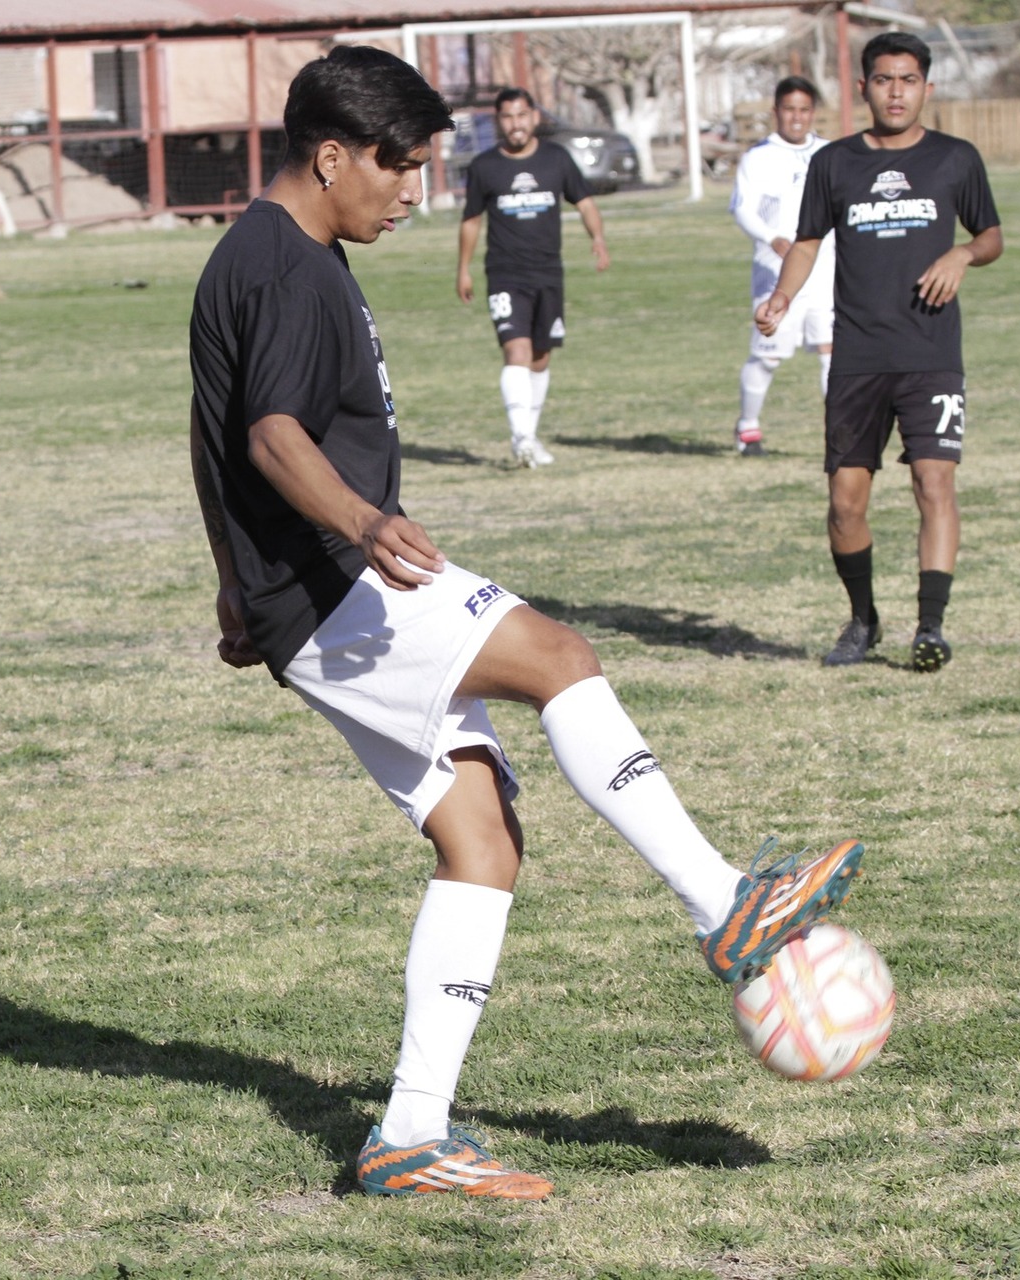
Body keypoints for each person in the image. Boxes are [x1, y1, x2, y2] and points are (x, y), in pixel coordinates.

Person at [190, 45, 864, 1202]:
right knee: (561, 655)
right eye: (399, 168)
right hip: (341, 585)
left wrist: (233, 579)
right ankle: (727, 909)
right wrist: (354, 521)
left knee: (483, 842)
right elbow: (267, 436)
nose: (412, 191)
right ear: (331, 154)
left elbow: (215, 427)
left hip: (304, 591)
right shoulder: (287, 266)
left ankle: (409, 1132)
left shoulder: (268, 253)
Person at [757, 31, 1002, 672]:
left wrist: (962, 252)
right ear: (862, 87)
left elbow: (992, 235)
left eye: (909, 80)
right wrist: (782, 298)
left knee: (934, 480)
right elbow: (807, 241)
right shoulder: (834, 163)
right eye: (885, 80)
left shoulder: (956, 159)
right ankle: (863, 619)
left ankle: (932, 626)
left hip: (931, 351)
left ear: (927, 87)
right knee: (844, 501)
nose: (897, 91)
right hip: (858, 355)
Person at [455, 88, 610, 469]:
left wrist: (599, 239)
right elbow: (471, 220)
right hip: (505, 273)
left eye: (521, 115)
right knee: (516, 351)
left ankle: (529, 436)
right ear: (498, 121)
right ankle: (521, 439)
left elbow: (585, 202)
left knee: (540, 358)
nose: (515, 124)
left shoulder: (556, 159)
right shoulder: (485, 166)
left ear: (534, 117)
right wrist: (463, 268)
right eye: (507, 117)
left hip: (549, 273)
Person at [729, 77, 835, 457]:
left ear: (813, 113)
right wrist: (771, 237)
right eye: (789, 109)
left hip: (826, 272)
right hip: (777, 272)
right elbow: (742, 208)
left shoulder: (829, 152)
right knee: (768, 355)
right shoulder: (759, 157)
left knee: (832, 352)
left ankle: (837, 435)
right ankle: (748, 427)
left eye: (804, 110)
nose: (797, 117)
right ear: (776, 112)